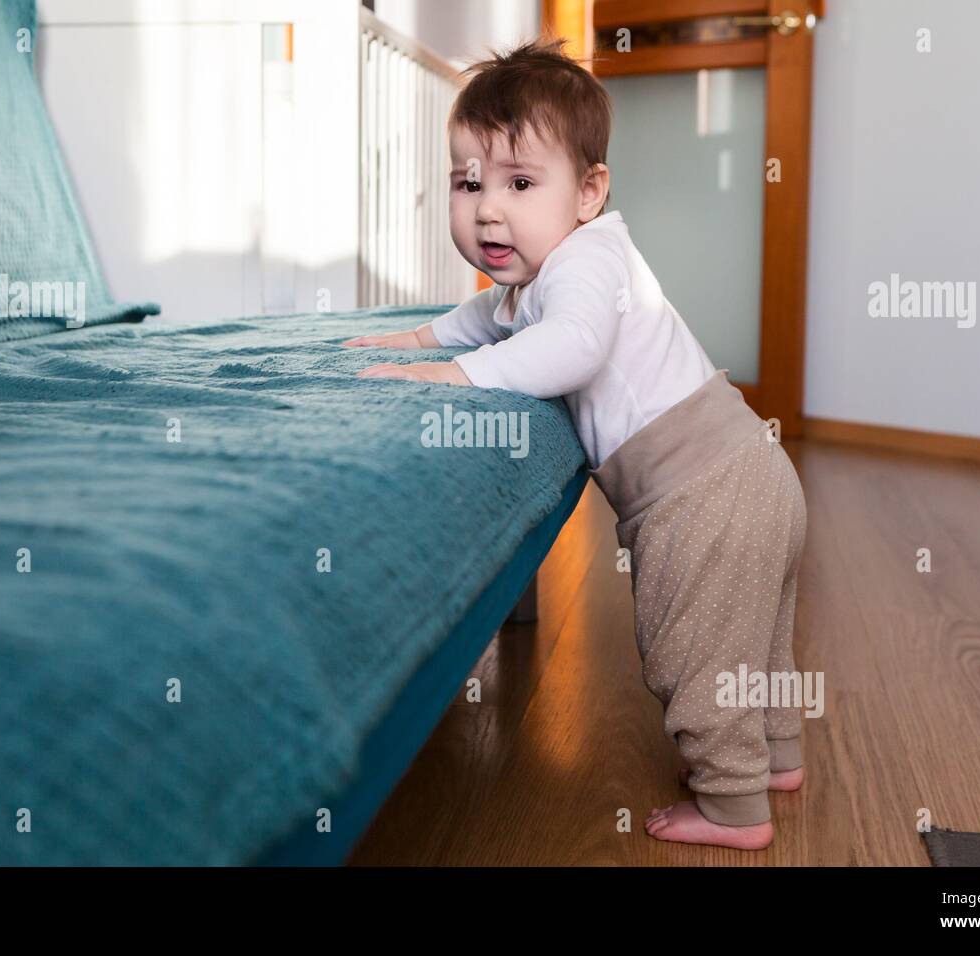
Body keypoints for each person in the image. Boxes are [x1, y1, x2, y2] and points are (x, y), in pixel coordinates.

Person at [344, 37, 808, 850]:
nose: (490, 208)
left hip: (699, 495)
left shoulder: (584, 268)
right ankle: (776, 754)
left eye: (521, 183)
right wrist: (418, 340)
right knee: (755, 636)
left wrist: (463, 382)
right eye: (469, 183)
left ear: (589, 192)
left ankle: (735, 804)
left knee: (693, 649)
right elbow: (479, 318)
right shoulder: (537, 274)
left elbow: (573, 349)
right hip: (753, 472)